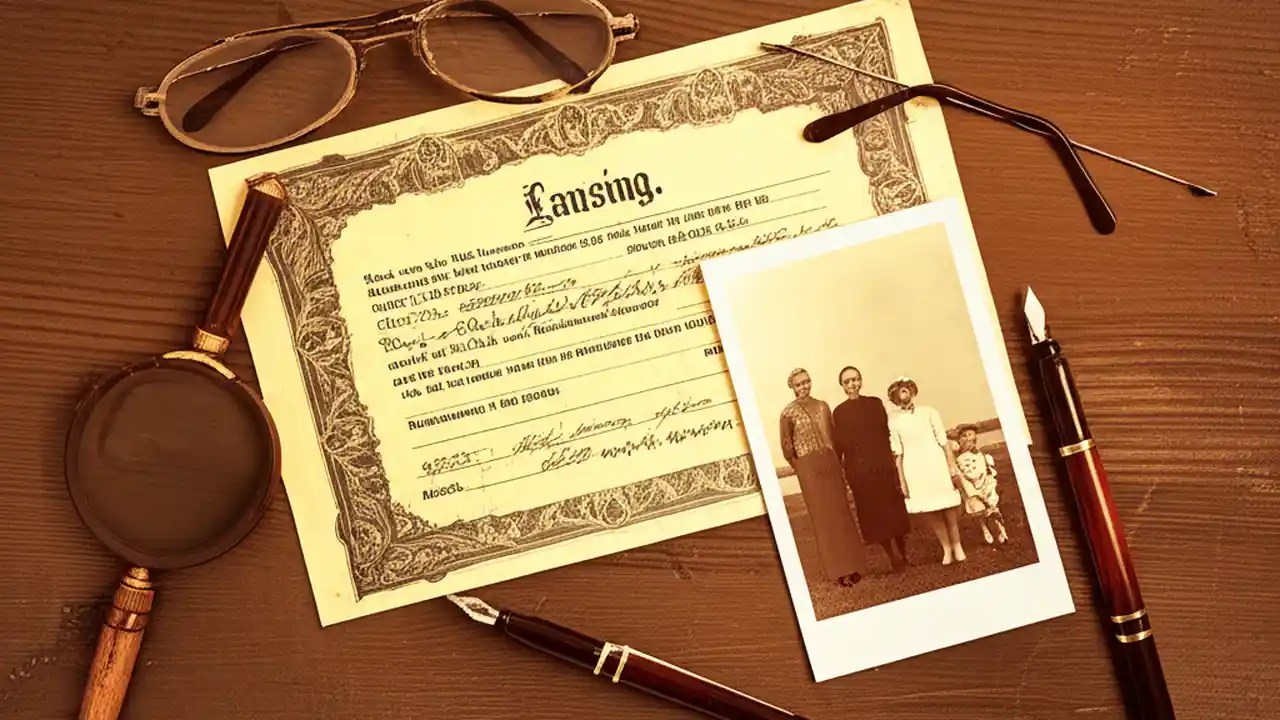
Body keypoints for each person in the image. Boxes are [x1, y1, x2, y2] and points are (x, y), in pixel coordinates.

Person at [780, 368, 868, 587]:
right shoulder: (787, 413)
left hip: (830, 464)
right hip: (808, 469)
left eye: (806, 382)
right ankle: (838, 570)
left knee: (841, 515)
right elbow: (787, 447)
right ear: (792, 386)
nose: (804, 387)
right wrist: (801, 467)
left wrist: (836, 462)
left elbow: (834, 439)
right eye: (799, 384)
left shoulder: (822, 406)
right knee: (823, 519)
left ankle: (854, 565)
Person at [831, 366, 910, 571]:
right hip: (860, 472)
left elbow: (887, 432)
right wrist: (844, 474)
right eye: (847, 381)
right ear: (842, 386)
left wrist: (894, 462)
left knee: (895, 511)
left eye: (855, 379)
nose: (852, 384)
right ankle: (892, 556)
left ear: (861, 381)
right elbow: (840, 445)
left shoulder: (875, 404)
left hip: (883, 465)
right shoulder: (839, 412)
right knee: (874, 516)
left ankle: (903, 554)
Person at [886, 377, 967, 565]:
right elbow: (898, 453)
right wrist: (903, 480)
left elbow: (943, 441)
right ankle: (946, 548)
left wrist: (951, 466)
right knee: (931, 511)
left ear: (912, 391)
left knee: (948, 507)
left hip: (936, 463)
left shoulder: (929, 412)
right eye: (899, 390)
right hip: (915, 469)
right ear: (895, 396)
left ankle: (957, 545)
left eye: (906, 388)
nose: (903, 392)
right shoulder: (894, 421)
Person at [954, 423, 1008, 545]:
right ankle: (984, 528)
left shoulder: (982, 454)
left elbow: (987, 469)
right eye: (964, 435)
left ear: (975, 437)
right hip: (972, 485)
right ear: (960, 439)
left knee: (992, 506)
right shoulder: (960, 458)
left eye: (970, 434)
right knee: (979, 509)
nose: (968, 438)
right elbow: (966, 473)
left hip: (985, 482)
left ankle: (1001, 528)